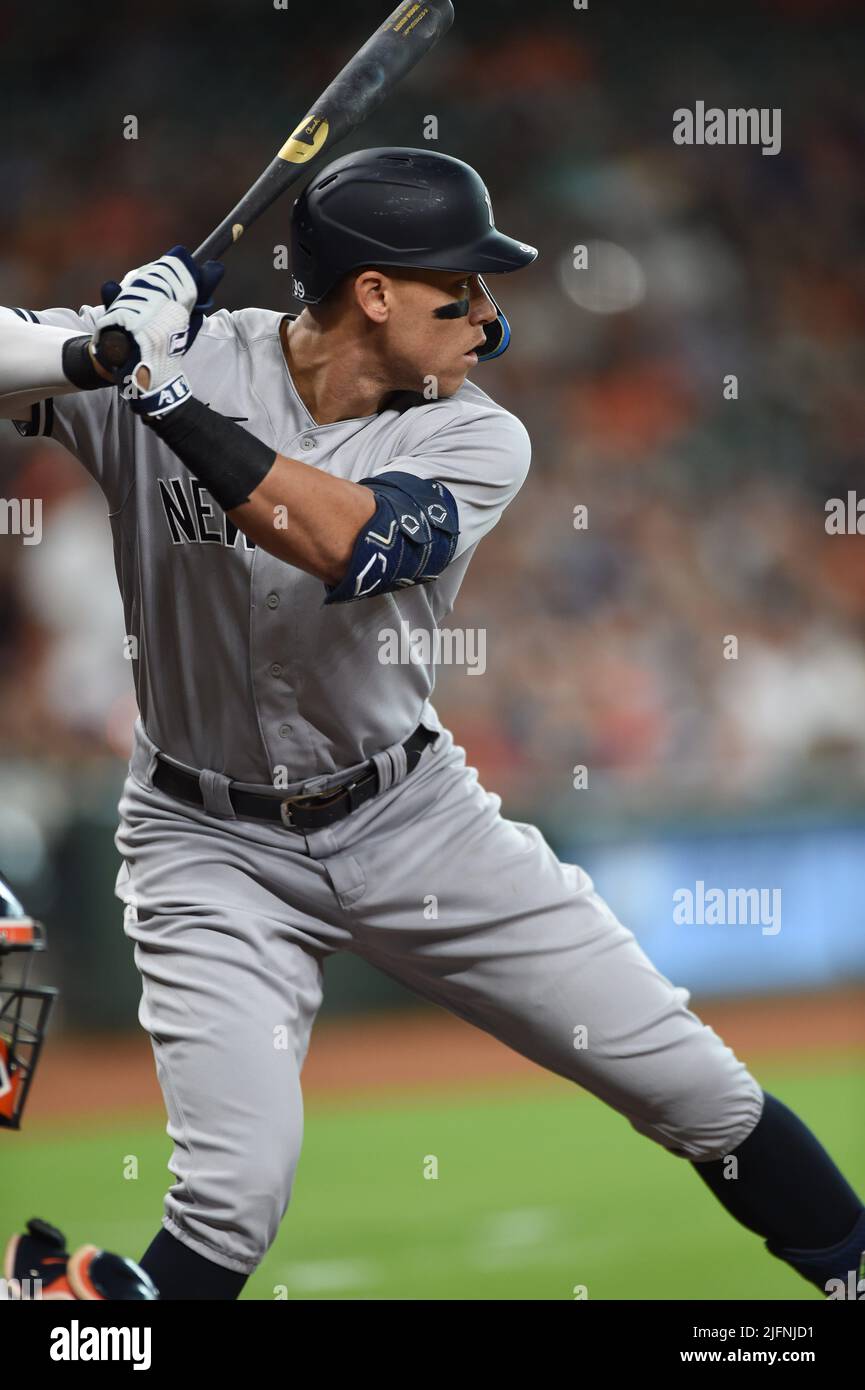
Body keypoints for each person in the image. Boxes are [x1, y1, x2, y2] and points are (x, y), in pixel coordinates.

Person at [1, 148, 863, 1301]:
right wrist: (95, 347)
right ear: (373, 293)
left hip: (412, 820)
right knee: (235, 1193)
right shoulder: (177, 355)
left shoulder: (473, 434)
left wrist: (154, 391)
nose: (491, 322)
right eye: (462, 291)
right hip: (204, 843)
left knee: (692, 1089)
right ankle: (93, 1325)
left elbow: (336, 540)